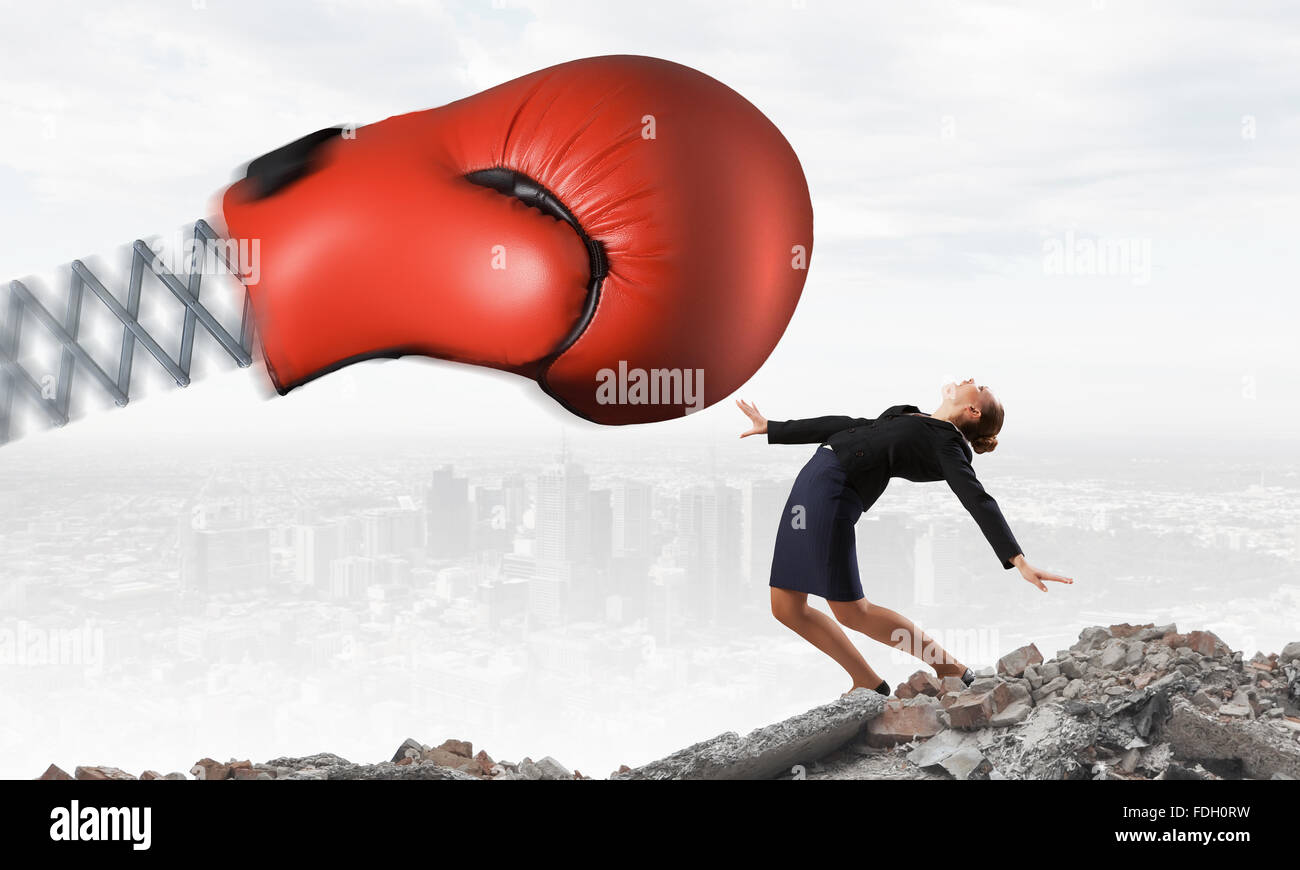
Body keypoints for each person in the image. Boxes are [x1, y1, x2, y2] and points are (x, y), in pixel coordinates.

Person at [737, 379, 1073, 698]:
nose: (971, 379)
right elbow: (848, 424)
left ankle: (946, 668)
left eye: (980, 386)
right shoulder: (912, 416)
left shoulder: (947, 444)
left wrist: (1017, 559)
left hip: (832, 494)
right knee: (786, 606)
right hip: (810, 487)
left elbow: (977, 497)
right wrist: (774, 427)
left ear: (973, 410)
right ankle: (868, 680)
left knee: (853, 612)